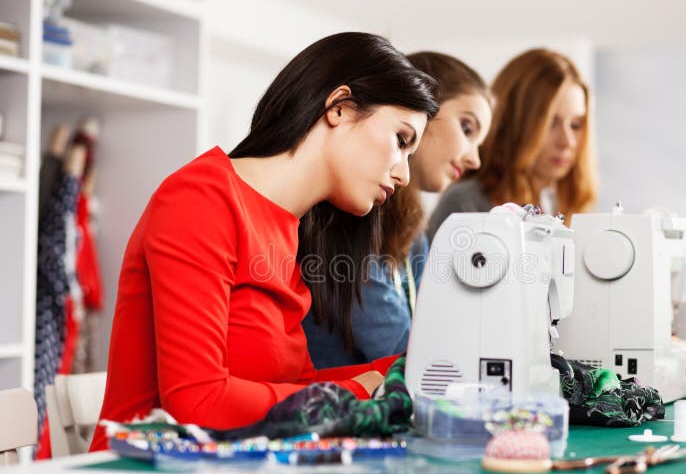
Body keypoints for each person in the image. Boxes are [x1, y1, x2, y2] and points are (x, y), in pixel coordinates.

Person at [89, 32, 438, 451]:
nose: (404, 175)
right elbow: (197, 401)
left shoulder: (290, 225)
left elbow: (292, 387)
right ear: (340, 108)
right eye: (401, 141)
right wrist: (358, 393)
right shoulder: (201, 198)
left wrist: (407, 371)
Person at [304, 51, 492, 368]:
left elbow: (429, 336)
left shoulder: (413, 232)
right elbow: (406, 354)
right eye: (467, 129)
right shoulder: (356, 218)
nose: (475, 159)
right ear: (424, 108)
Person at [428, 48, 597, 240]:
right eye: (551, 123)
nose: (567, 141)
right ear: (514, 122)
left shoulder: (563, 207)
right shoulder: (466, 206)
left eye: (575, 125)